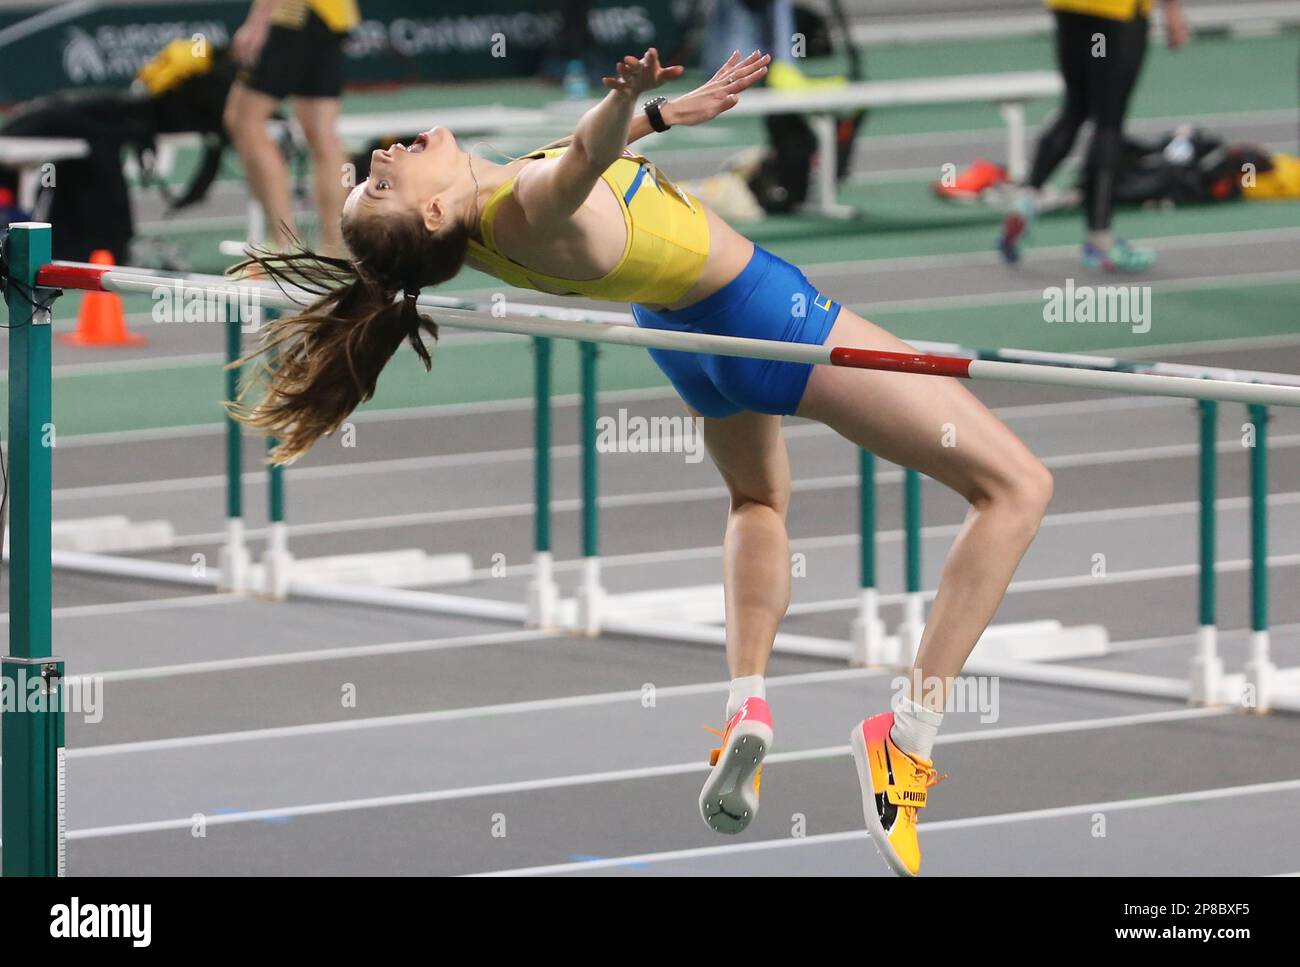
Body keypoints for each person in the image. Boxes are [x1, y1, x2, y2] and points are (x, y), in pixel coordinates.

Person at [233, 49, 1054, 877]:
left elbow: (563, 165)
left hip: (685, 339)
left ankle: (747, 705)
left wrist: (661, 115)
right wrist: (632, 103)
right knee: (1016, 487)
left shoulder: (474, 222)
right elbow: (575, 168)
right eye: (380, 185)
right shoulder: (519, 208)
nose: (379, 157)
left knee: (757, 503)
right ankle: (906, 739)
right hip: (767, 318)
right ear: (435, 210)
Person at [999, 0, 1189, 271]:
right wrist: (1172, 10)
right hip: (1117, 12)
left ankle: (1027, 196)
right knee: (1109, 122)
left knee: (1076, 107)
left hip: (1070, 7)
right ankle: (1100, 239)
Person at [224, 0, 360, 257]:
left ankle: (284, 244)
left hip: (293, 12)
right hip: (333, 15)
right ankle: (334, 249)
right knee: (322, 133)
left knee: (244, 120)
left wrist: (258, 22)